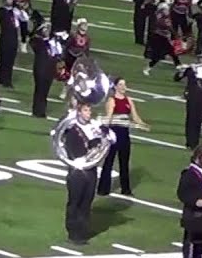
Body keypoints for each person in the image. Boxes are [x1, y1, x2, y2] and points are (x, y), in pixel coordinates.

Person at [62, 102, 111, 245]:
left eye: (89, 110)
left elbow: (111, 139)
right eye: (85, 110)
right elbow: (62, 136)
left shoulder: (93, 126)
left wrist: (104, 131)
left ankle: (83, 233)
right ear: (79, 112)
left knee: (87, 201)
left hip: (91, 169)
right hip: (77, 170)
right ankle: (73, 233)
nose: (89, 113)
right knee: (75, 201)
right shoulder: (72, 127)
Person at [98, 77, 148, 196]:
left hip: (125, 135)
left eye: (124, 84)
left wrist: (143, 125)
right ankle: (103, 189)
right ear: (115, 86)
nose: (123, 87)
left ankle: (125, 189)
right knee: (109, 161)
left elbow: (135, 116)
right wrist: (105, 131)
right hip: (114, 134)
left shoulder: (129, 100)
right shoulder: (111, 100)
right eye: (120, 84)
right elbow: (109, 117)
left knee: (124, 163)